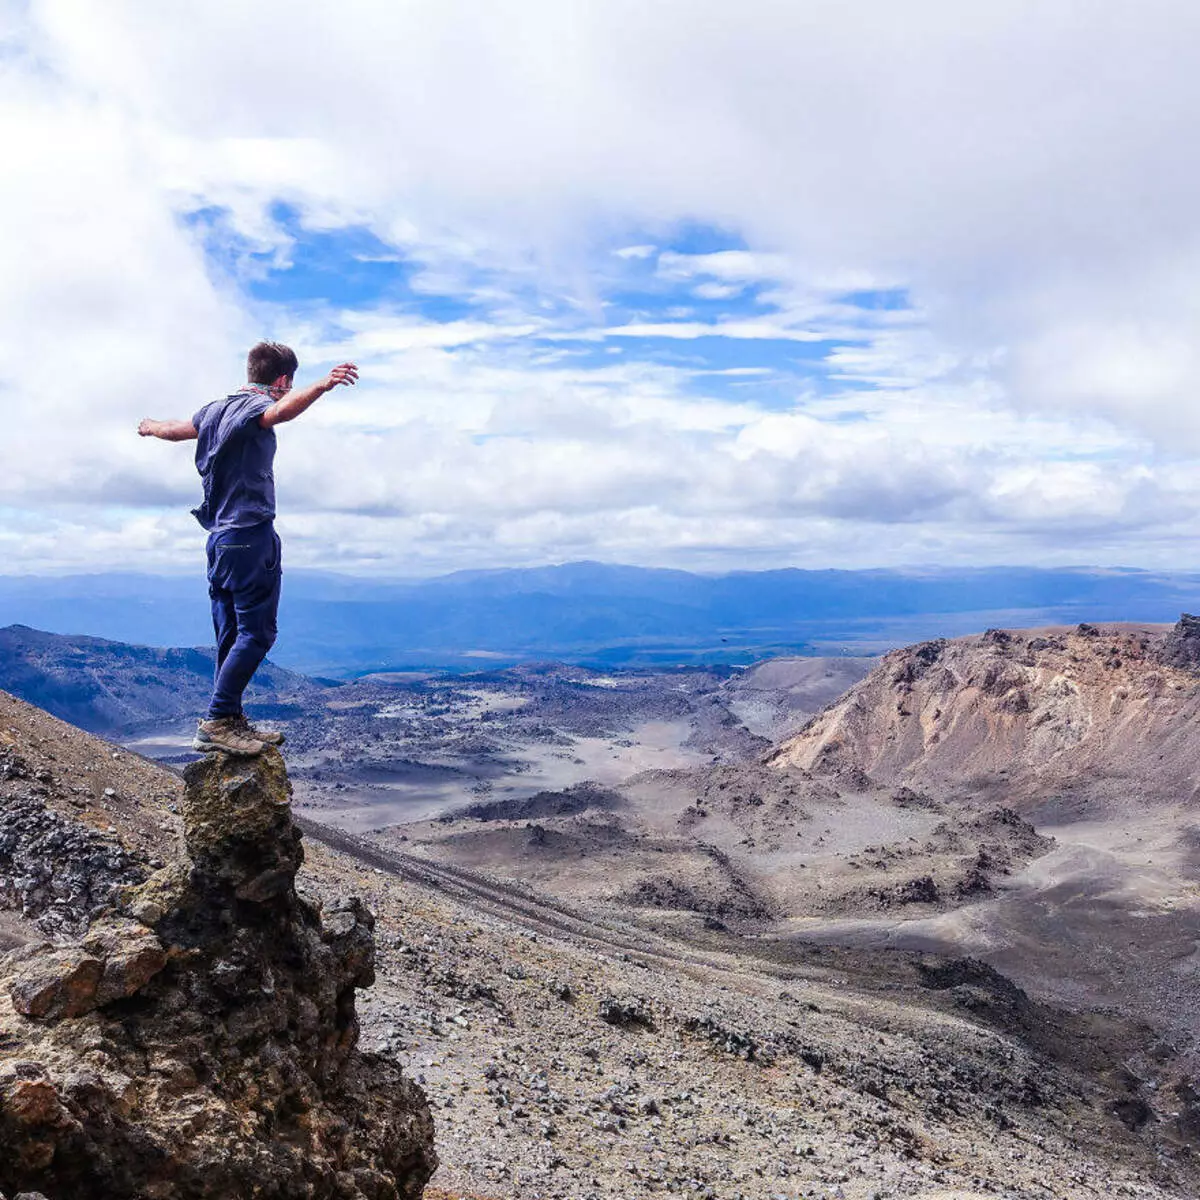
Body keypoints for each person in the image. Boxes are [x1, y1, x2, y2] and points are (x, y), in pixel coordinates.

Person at [139, 342, 357, 755]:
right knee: (258, 633)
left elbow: (175, 429)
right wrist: (323, 386)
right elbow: (281, 413)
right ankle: (220, 719)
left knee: (230, 634)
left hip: (218, 541)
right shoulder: (257, 408)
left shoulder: (214, 411)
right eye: (288, 385)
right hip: (250, 536)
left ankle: (229, 717)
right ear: (282, 381)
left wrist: (150, 426)